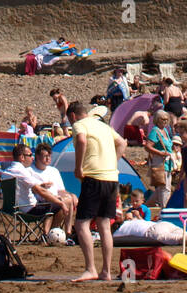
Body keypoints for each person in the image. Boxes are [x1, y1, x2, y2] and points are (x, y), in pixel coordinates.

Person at [66, 101, 127, 282]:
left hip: (93, 177)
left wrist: (78, 167)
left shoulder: (79, 125)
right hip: (111, 178)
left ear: (73, 116)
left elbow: (82, 140)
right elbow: (122, 144)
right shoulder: (103, 125)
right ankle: (106, 271)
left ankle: (90, 268)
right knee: (104, 225)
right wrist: (112, 162)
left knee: (82, 224)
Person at [29, 142, 78, 235]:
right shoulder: (30, 171)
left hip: (55, 200)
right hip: (38, 203)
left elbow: (61, 190)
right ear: (38, 157)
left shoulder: (53, 171)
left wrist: (71, 195)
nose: (48, 158)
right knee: (62, 202)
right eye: (45, 156)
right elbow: (27, 189)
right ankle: (56, 232)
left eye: (49, 156)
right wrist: (40, 187)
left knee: (68, 199)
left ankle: (60, 232)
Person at [143, 110, 175, 211]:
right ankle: (165, 209)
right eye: (163, 119)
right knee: (165, 188)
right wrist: (160, 153)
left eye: (166, 119)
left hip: (168, 162)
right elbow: (148, 146)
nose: (165, 121)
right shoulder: (155, 131)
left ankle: (144, 207)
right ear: (157, 120)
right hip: (161, 162)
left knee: (162, 188)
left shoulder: (165, 130)